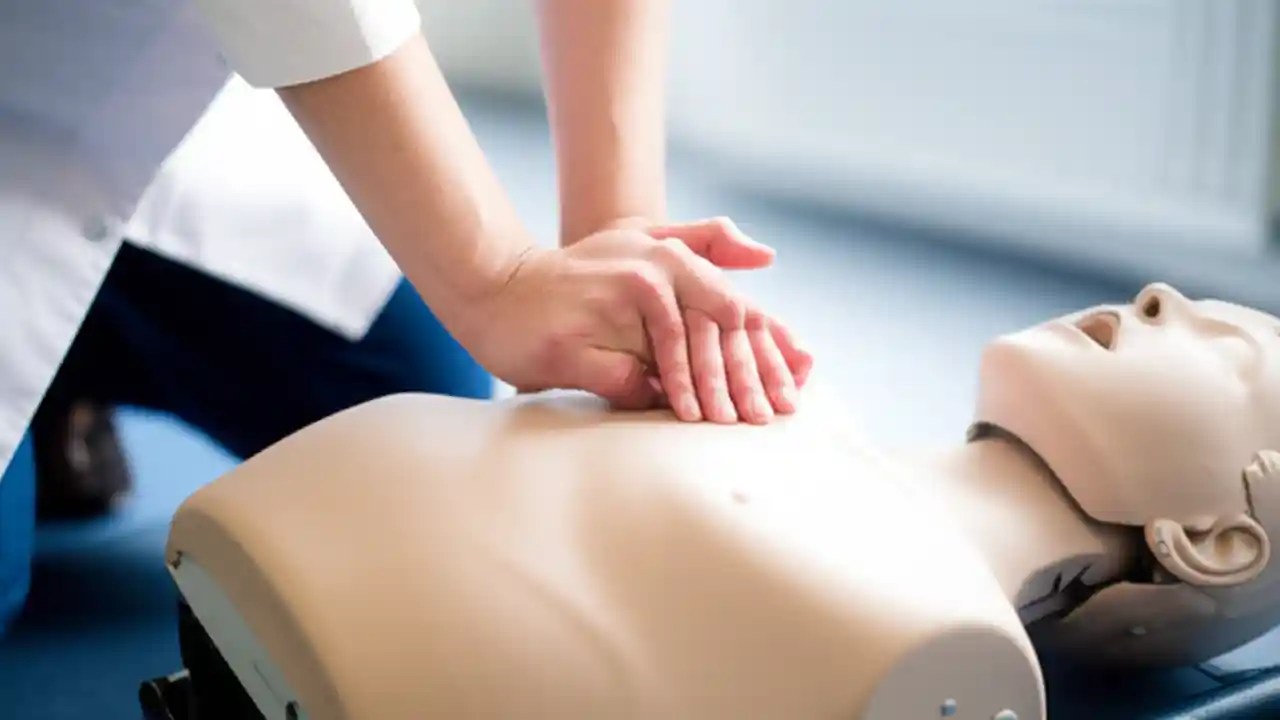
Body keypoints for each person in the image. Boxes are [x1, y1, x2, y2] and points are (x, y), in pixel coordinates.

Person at [0, 0, 812, 634]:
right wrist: (495, 279)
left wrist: (619, 241)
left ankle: (75, 369)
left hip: (148, 83)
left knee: (415, 397)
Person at [159, 283, 1280, 718]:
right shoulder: (792, 391)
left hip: (295, 610)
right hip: (276, 553)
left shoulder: (954, 666)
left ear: (1215, 545)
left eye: (1219, 349)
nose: (1155, 291)